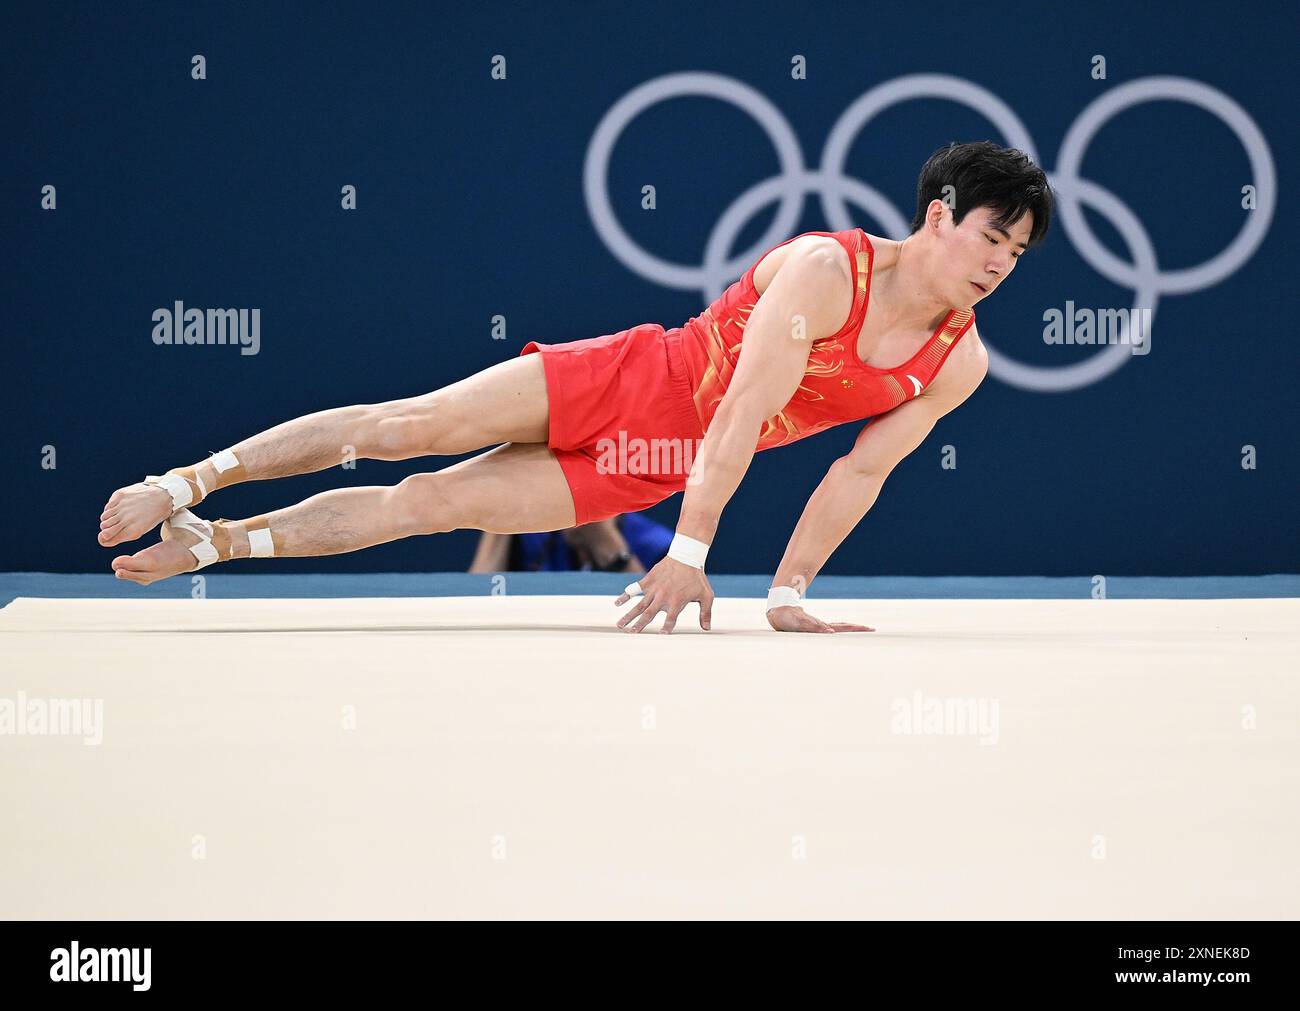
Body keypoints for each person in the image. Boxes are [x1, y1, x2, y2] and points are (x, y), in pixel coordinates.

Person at [98, 140, 1052, 634]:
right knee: (404, 425)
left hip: (653, 466)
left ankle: (215, 543)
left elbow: (858, 473)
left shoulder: (958, 362)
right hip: (623, 378)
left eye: (1016, 253)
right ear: (939, 215)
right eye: (991, 237)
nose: (999, 264)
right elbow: (741, 408)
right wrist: (690, 551)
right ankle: (183, 482)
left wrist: (787, 590)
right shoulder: (825, 271)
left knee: (425, 504)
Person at [468, 514, 671, 574]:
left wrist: (611, 549)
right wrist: (500, 519)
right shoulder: (530, 532)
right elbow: (476, 595)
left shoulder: (657, 544)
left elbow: (660, 617)